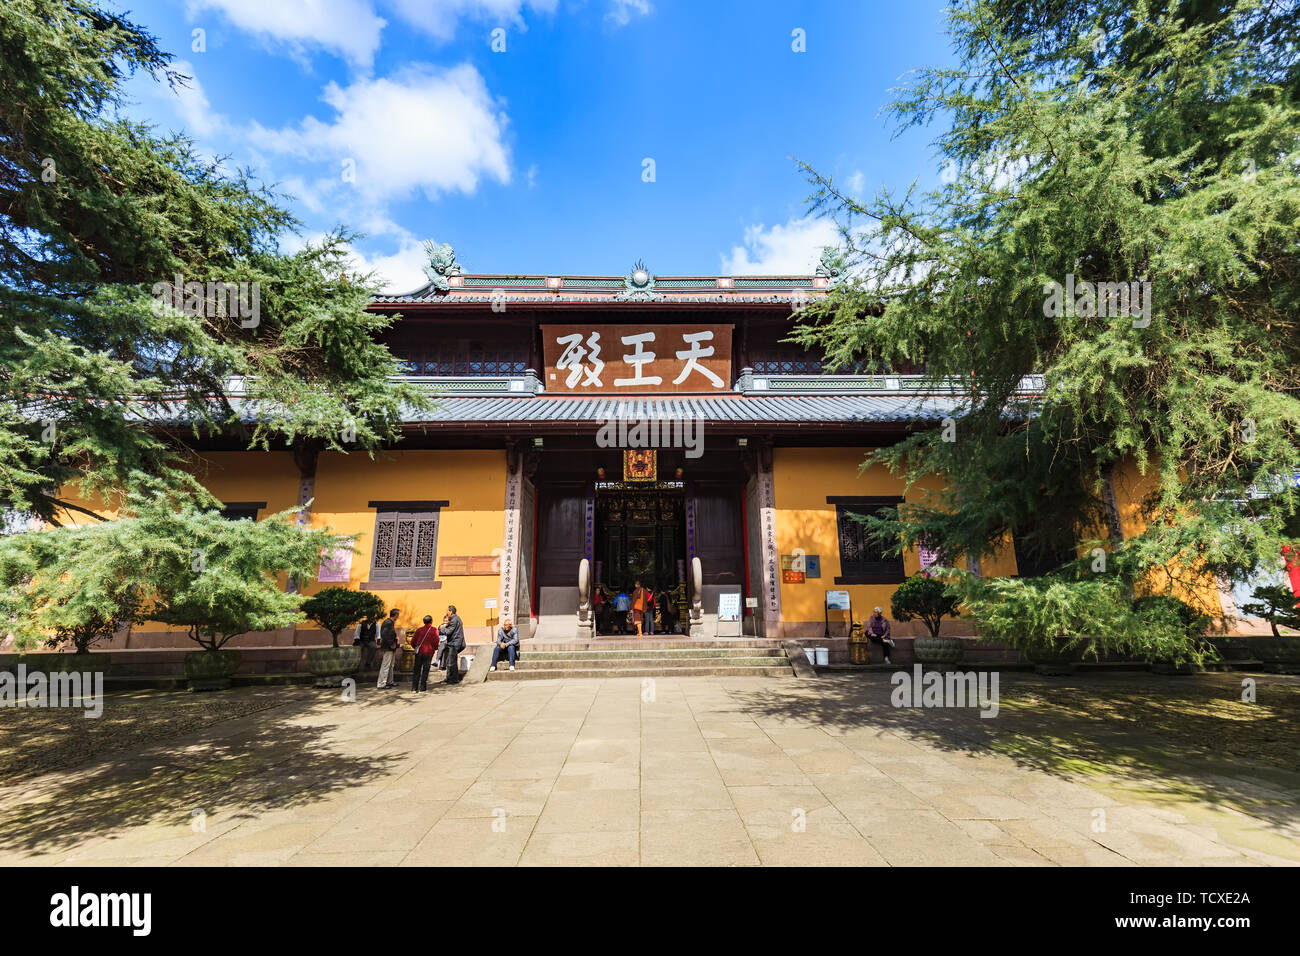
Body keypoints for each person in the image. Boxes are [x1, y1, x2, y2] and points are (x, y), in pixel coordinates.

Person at [409, 615, 439, 692]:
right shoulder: (434, 630)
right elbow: (436, 641)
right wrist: (434, 648)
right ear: (431, 621)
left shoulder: (419, 630)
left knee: (416, 670)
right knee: (426, 669)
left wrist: (416, 648)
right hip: (429, 652)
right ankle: (422, 687)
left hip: (419, 652)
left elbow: (413, 642)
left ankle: (414, 688)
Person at [377, 608, 401, 689]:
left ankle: (389, 681)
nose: (398, 616)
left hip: (391, 647)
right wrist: (392, 644)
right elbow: (385, 635)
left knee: (391, 665)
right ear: (396, 615)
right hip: (388, 647)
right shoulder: (387, 623)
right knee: (386, 665)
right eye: (398, 614)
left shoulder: (390, 622)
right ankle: (381, 683)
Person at [441, 605, 466, 684]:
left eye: (447, 611)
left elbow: (448, 631)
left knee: (451, 662)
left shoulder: (454, 620)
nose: (446, 612)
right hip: (456, 642)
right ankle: (449, 678)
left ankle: (453, 679)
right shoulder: (456, 618)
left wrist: (442, 627)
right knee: (450, 661)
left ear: (451, 612)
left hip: (454, 643)